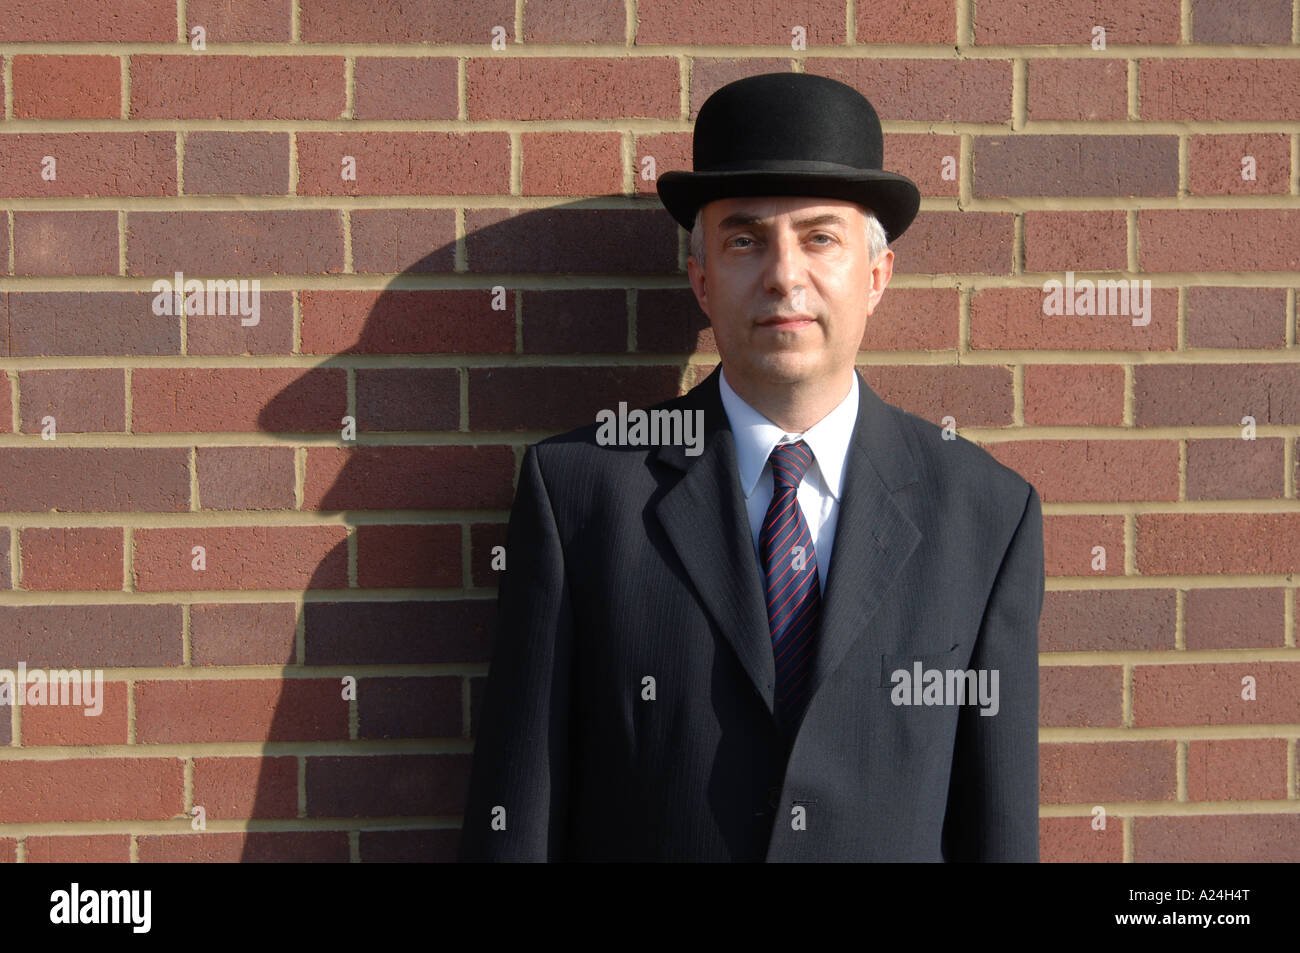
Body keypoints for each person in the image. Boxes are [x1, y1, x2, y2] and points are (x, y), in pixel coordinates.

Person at [458, 72, 1044, 862]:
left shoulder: (986, 516)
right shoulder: (581, 495)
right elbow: (517, 814)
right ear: (701, 278)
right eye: (744, 238)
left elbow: (998, 829)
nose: (782, 275)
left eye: (819, 237)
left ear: (877, 277)